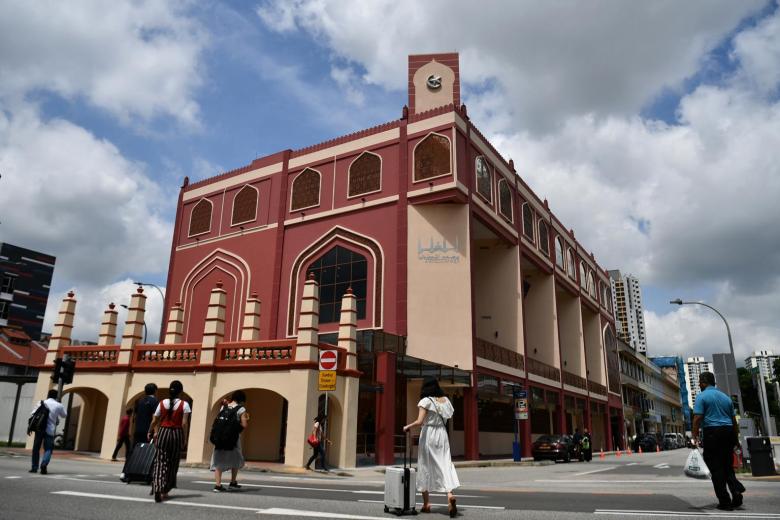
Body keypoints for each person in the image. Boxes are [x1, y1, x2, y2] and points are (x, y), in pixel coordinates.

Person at [403, 377, 460, 517]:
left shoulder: (426, 401)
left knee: (424, 466)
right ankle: (449, 495)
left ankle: (426, 504)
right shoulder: (446, 400)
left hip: (429, 434)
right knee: (444, 464)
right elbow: (448, 418)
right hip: (442, 434)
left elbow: (419, 421)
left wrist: (407, 426)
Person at [692, 371, 745, 511]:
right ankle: (736, 491)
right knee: (727, 465)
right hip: (728, 432)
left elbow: (697, 419)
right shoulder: (726, 398)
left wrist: (694, 437)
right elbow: (734, 421)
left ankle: (725, 502)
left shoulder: (701, 396)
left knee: (716, 468)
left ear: (704, 382)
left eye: (699, 382)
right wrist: (736, 439)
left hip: (712, 433)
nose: (698, 384)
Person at [148, 380, 191, 503]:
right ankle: (165, 490)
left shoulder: (162, 403)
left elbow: (154, 420)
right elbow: (184, 423)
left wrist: (150, 431)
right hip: (176, 433)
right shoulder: (185, 404)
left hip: (163, 432)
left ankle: (157, 487)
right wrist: (184, 438)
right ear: (181, 392)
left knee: (160, 462)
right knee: (173, 463)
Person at [211, 390, 249, 492]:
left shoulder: (224, 407)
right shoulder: (241, 409)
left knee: (218, 460)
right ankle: (232, 482)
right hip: (233, 439)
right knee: (236, 459)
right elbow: (244, 425)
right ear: (242, 400)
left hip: (220, 438)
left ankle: (218, 485)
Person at [29, 389, 67, 474]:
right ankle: (44, 464)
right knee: (48, 449)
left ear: (48, 395)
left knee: (36, 448)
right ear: (56, 396)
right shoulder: (58, 405)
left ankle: (34, 467)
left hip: (39, 428)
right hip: (50, 430)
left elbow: (33, 414)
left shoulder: (41, 403)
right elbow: (64, 415)